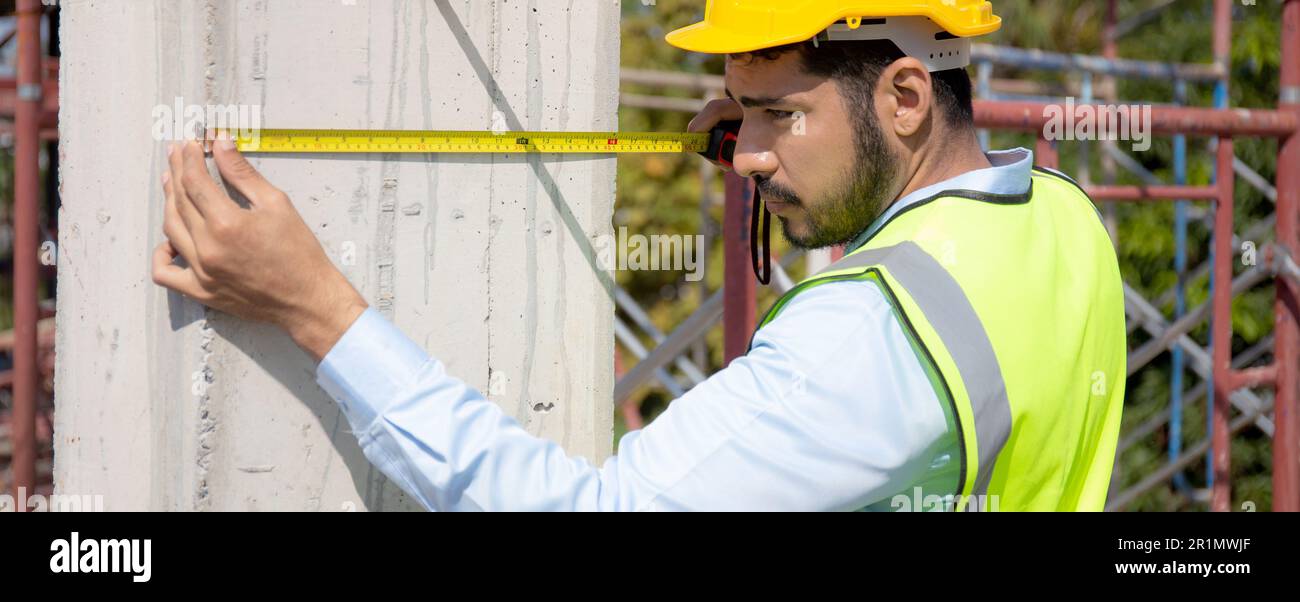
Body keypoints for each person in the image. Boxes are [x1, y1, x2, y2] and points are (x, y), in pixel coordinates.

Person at [152, 1, 1126, 511]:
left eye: (781, 114)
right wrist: (781, 144)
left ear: (907, 97)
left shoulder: (867, 336)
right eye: (739, 115)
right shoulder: (1057, 215)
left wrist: (315, 306)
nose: (743, 150)